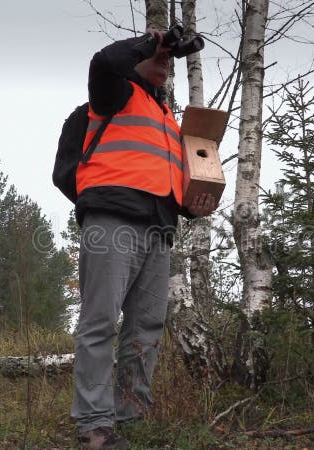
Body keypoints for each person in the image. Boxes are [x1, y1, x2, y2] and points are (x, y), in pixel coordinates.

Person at [71, 28, 216, 450]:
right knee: (100, 320)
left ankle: (131, 416)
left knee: (147, 326)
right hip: (112, 218)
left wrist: (193, 205)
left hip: (159, 228)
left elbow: (164, 176)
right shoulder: (114, 92)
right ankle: (94, 426)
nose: (166, 60)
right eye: (160, 56)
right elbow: (103, 61)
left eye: (170, 58)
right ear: (138, 57)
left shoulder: (168, 118)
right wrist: (150, 41)